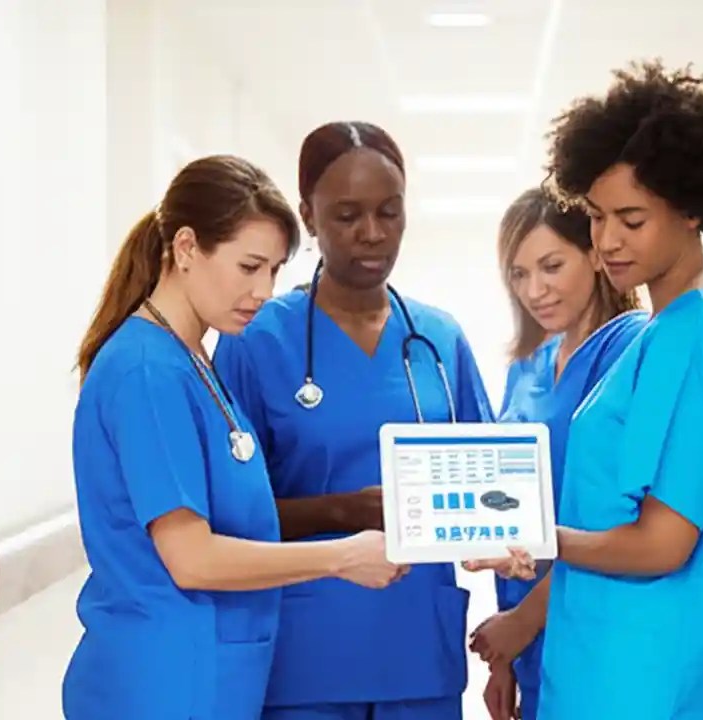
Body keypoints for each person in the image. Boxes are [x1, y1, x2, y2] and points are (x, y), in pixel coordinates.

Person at [467, 59, 703, 719]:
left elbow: (662, 543)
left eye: (630, 220)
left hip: (652, 680)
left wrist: (538, 535)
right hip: (614, 665)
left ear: (691, 208)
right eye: (597, 218)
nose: (607, 241)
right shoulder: (669, 334)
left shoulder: (695, 339)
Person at [63, 155, 406, 720]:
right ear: (187, 248)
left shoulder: (192, 361)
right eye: (249, 266)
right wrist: (341, 557)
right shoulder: (146, 371)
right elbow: (191, 559)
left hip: (204, 676)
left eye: (273, 270)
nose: (264, 290)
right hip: (162, 683)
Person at [212, 122, 495, 720]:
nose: (372, 234)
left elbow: (493, 489)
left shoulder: (439, 341)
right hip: (305, 658)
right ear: (307, 218)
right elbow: (227, 517)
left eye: (389, 212)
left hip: (420, 649)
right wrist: (343, 510)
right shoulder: (257, 339)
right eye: (346, 215)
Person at [468, 188, 647, 720]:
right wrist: (506, 658)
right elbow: (508, 505)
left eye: (551, 266)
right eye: (519, 275)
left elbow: (621, 521)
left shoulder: (632, 348)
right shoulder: (529, 364)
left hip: (597, 620)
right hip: (526, 633)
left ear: (594, 254)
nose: (535, 290)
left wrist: (525, 622)